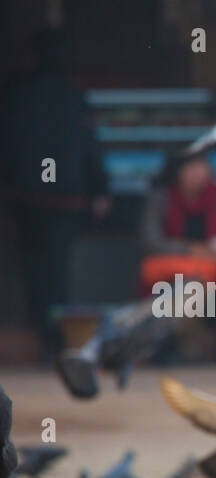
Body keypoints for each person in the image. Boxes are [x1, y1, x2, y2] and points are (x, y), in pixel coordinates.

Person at [0, 28, 111, 361]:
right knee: (57, 271)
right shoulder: (73, 98)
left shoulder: (17, 96)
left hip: (27, 197)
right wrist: (101, 189)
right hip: (65, 198)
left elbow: (7, 146)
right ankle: (54, 341)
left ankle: (41, 331)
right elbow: (90, 149)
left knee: (34, 269)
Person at [139, 152, 216, 362]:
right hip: (177, 267)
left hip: (215, 267)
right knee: (172, 286)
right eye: (191, 168)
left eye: (202, 167)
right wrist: (191, 249)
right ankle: (164, 348)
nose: (197, 174)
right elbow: (151, 241)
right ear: (178, 172)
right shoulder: (162, 197)